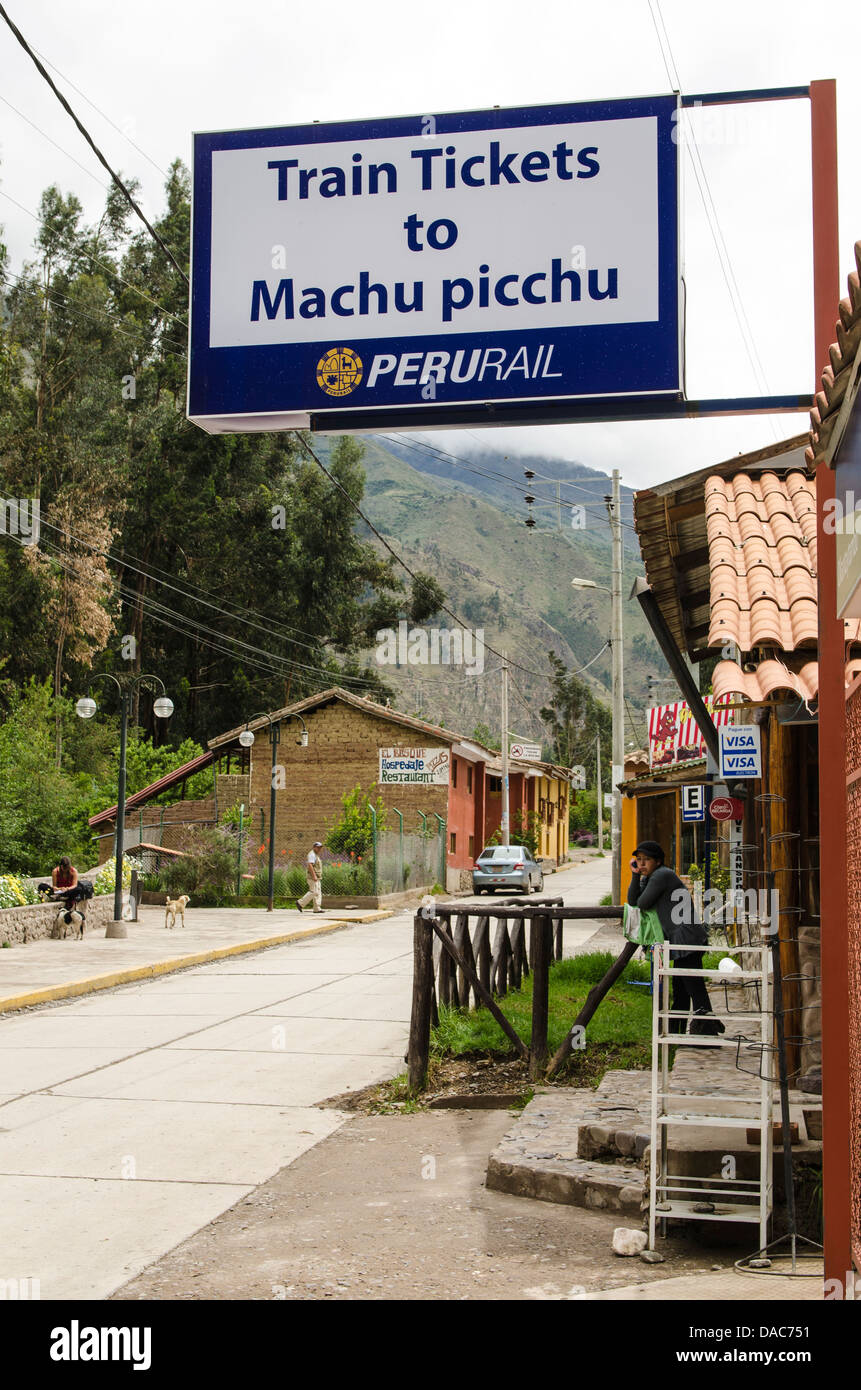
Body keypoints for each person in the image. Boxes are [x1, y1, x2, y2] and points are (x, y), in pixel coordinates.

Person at [627, 840, 724, 1039]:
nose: (642, 864)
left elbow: (642, 903)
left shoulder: (662, 875)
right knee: (682, 989)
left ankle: (706, 1030)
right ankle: (680, 1033)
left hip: (686, 937)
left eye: (647, 860)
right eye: (639, 860)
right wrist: (635, 875)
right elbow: (632, 900)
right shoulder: (653, 876)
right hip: (682, 938)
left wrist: (637, 877)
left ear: (658, 861)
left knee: (693, 987)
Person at [296, 841, 324, 913]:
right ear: (314, 847)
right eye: (318, 847)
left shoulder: (315, 855)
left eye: (320, 847)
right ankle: (300, 903)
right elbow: (310, 865)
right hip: (312, 877)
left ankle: (317, 908)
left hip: (317, 877)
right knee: (314, 892)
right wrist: (314, 876)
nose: (319, 849)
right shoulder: (312, 854)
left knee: (318, 892)